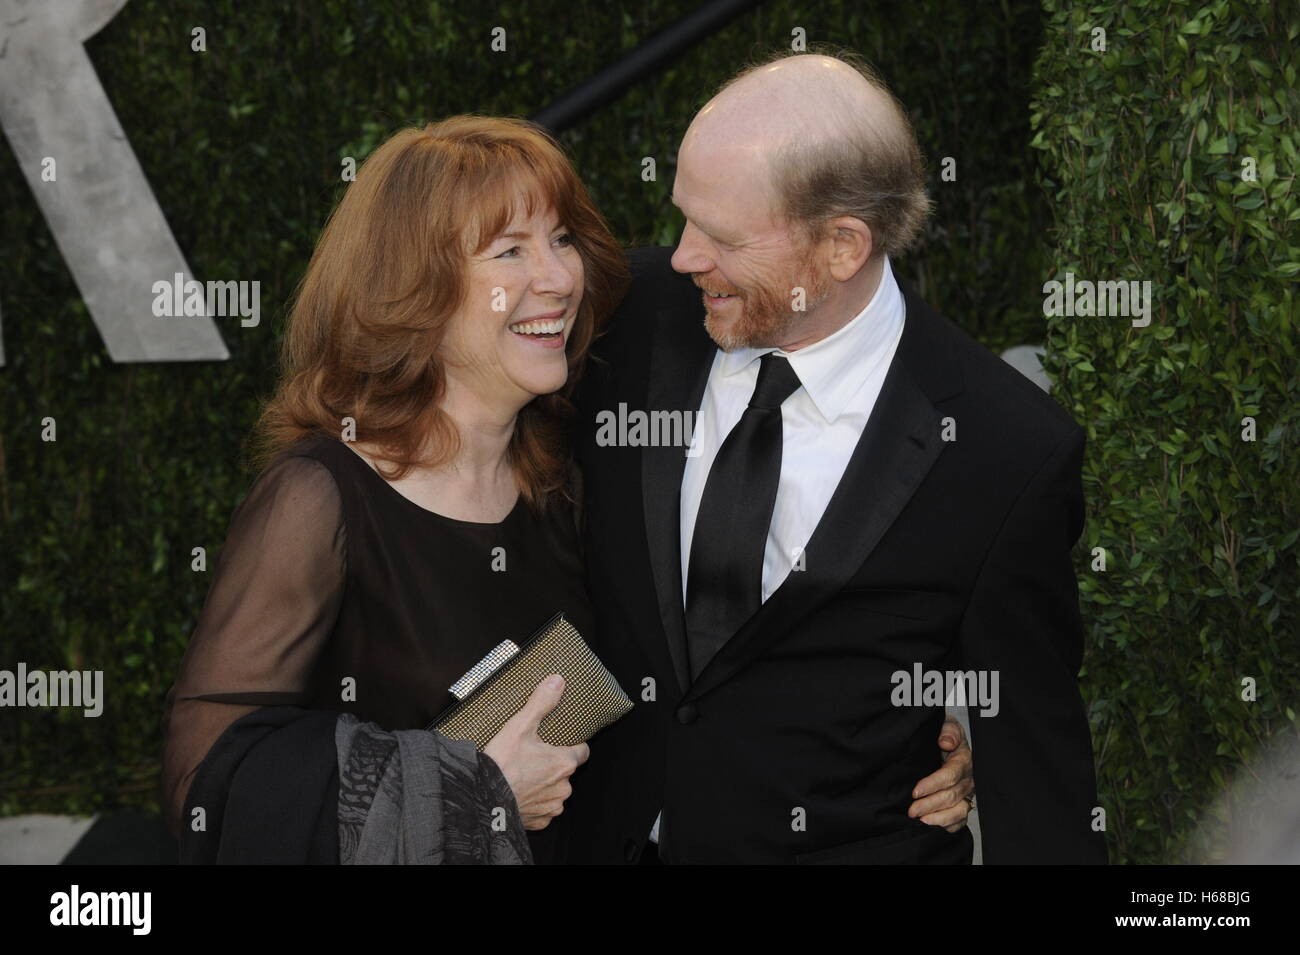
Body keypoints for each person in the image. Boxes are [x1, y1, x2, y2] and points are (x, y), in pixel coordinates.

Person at [563, 49, 1105, 864]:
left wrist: (963, 724)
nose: (682, 256)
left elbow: (1039, 776)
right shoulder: (619, 322)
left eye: (720, 235)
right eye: (682, 217)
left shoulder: (1006, 451)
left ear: (843, 247)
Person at [160, 115, 630, 864]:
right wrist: (470, 788)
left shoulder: (565, 475)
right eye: (511, 250)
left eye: (562, 238)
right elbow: (208, 777)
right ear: (417, 290)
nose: (560, 277)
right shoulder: (319, 499)